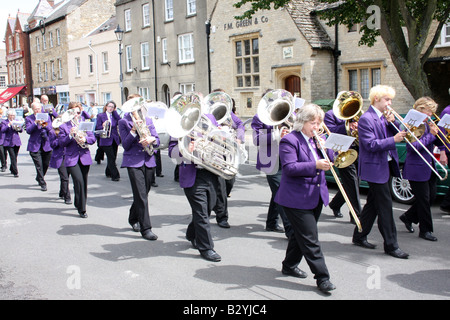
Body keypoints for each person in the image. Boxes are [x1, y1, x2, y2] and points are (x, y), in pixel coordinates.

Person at [275, 103, 336, 293]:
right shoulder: (290, 140)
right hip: (295, 198)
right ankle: (322, 277)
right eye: (313, 123)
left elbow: (330, 160)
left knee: (300, 235)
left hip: (315, 195)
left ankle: (289, 265)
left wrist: (328, 149)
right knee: (310, 238)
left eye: (318, 123)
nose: (316, 127)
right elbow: (290, 168)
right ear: (302, 122)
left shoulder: (317, 139)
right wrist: (315, 165)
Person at [352, 85, 409, 259]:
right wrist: (393, 139)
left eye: (390, 100)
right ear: (376, 98)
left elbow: (398, 132)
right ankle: (391, 246)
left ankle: (359, 235)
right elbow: (370, 145)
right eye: (387, 100)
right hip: (374, 168)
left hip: (386, 166)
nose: (390, 103)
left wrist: (393, 123)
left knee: (373, 205)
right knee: (385, 208)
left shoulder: (384, 117)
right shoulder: (366, 119)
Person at [168, 109, 222, 262]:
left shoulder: (210, 118)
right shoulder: (179, 124)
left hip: (210, 171)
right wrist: (185, 149)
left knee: (209, 207)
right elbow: (172, 151)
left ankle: (192, 234)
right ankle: (206, 247)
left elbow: (220, 139)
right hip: (192, 174)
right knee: (202, 212)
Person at [251, 90, 292, 237]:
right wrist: (276, 135)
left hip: (287, 159)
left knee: (278, 192)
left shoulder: (287, 114)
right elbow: (257, 140)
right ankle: (291, 230)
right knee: (281, 192)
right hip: (270, 161)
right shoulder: (259, 118)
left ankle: (271, 223)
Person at [118, 96, 160, 241]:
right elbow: (126, 144)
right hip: (133, 162)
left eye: (139, 105)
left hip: (148, 160)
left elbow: (157, 139)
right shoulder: (123, 122)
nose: (138, 109)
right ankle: (146, 228)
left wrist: (152, 139)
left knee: (143, 194)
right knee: (141, 196)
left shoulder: (148, 120)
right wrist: (134, 130)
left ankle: (133, 217)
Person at [399, 97, 439, 241]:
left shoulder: (427, 123)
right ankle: (425, 230)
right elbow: (412, 148)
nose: (431, 115)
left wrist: (440, 132)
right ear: (421, 109)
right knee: (423, 200)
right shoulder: (412, 124)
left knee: (431, 197)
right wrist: (431, 136)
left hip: (429, 166)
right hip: (416, 168)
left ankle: (408, 217)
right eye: (429, 111)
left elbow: (435, 140)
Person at [58, 102, 96, 218]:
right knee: (78, 181)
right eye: (73, 112)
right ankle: (82, 209)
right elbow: (62, 143)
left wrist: (84, 138)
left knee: (83, 183)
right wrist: (70, 135)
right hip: (71, 158)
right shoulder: (64, 126)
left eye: (78, 112)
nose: (76, 115)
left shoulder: (84, 124)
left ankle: (79, 202)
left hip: (84, 156)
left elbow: (92, 138)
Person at [324, 108, 361, 222]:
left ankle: (335, 204)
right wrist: (348, 126)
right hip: (342, 151)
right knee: (352, 182)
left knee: (354, 182)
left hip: (357, 149)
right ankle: (357, 215)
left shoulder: (355, 112)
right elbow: (331, 132)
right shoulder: (331, 115)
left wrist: (358, 126)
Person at [25, 101, 53, 191]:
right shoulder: (29, 118)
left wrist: (45, 124)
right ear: (32, 110)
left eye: (39, 108)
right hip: (34, 145)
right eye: (36, 109)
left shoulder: (46, 116)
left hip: (46, 144)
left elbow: (50, 129)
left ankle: (39, 177)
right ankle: (42, 183)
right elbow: (28, 130)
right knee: (39, 165)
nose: (38, 110)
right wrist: (35, 123)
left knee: (46, 164)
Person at [95, 101, 121, 181]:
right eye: (109, 106)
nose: (110, 108)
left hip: (114, 139)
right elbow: (97, 128)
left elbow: (120, 121)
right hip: (105, 139)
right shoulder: (100, 116)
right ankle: (115, 175)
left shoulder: (114, 116)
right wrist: (102, 126)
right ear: (106, 107)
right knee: (111, 157)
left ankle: (108, 172)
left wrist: (115, 112)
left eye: (112, 107)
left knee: (113, 157)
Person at [48, 116, 72, 205]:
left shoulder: (67, 129)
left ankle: (62, 191)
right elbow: (52, 145)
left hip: (69, 155)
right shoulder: (52, 132)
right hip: (59, 156)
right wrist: (59, 138)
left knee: (66, 176)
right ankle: (67, 197)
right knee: (64, 177)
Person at [437, 103, 450, 214]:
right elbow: (441, 133)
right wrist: (442, 151)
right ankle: (446, 204)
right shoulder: (447, 111)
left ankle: (446, 204)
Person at [1, 110, 22, 178]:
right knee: (12, 157)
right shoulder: (4, 122)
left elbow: (21, 130)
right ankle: (16, 172)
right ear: (8, 115)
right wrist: (9, 125)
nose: (12, 117)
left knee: (15, 156)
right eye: (11, 115)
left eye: (13, 115)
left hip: (16, 141)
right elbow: (2, 130)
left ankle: (12, 168)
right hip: (9, 142)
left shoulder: (16, 121)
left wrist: (17, 127)